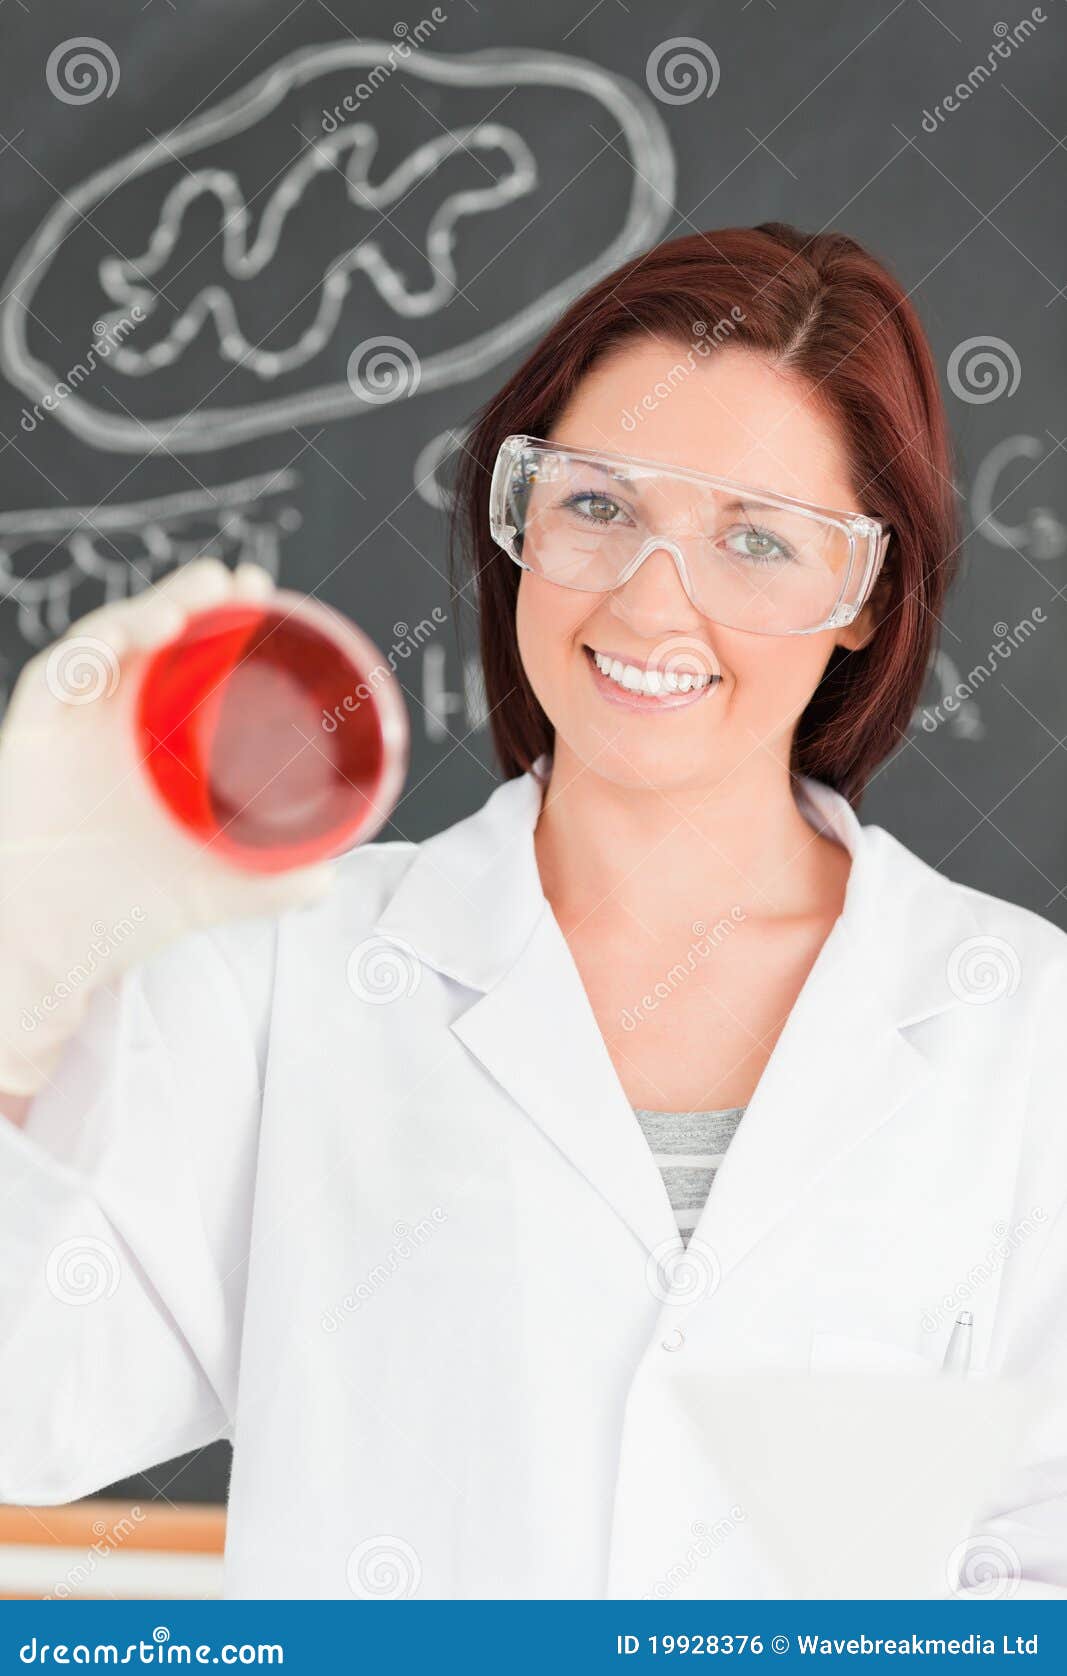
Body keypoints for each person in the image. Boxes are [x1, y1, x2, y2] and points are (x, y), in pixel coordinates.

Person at [0, 223, 1064, 1600]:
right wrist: (23, 980)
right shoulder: (282, 980)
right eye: (599, 506)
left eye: (754, 538)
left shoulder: (1020, 1025)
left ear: (863, 596)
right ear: (520, 516)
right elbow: (30, 1390)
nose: (648, 598)